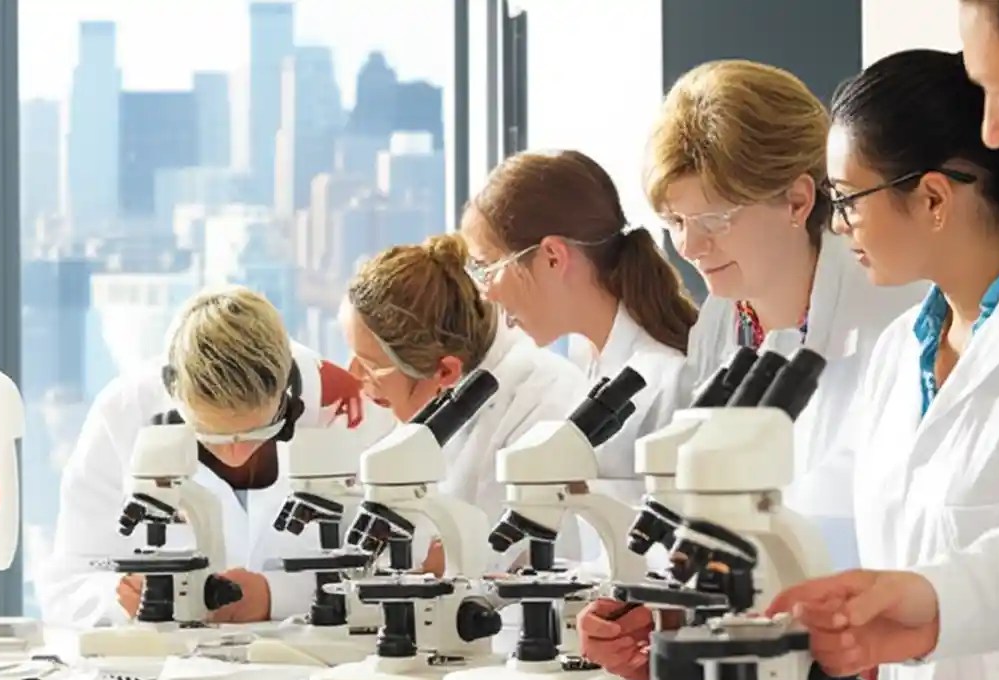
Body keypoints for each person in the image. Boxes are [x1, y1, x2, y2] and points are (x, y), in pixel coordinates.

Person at [768, 0, 999, 680]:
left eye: (845, 199)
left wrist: (928, 603)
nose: (838, 226)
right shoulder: (900, 351)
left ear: (931, 199)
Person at [574, 59, 925, 680]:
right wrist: (662, 617)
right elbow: (712, 515)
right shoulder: (721, 320)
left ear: (797, 199)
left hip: (878, 665)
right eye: (675, 223)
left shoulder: (895, 315)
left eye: (714, 219)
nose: (691, 247)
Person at [38, 286, 395, 627]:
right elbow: (67, 585)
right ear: (173, 391)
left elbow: (401, 568)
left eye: (258, 432)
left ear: (285, 390)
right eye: (212, 436)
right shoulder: (123, 415)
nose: (235, 453)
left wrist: (275, 596)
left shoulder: (347, 411)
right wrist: (120, 597)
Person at [460, 149, 698, 502]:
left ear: (553, 257)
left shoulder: (665, 382)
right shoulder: (588, 361)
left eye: (487, 268)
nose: (486, 293)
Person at [340, 233, 586, 566]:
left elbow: (480, 556)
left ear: (445, 372)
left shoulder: (543, 401)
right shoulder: (402, 401)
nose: (353, 375)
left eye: (370, 365)